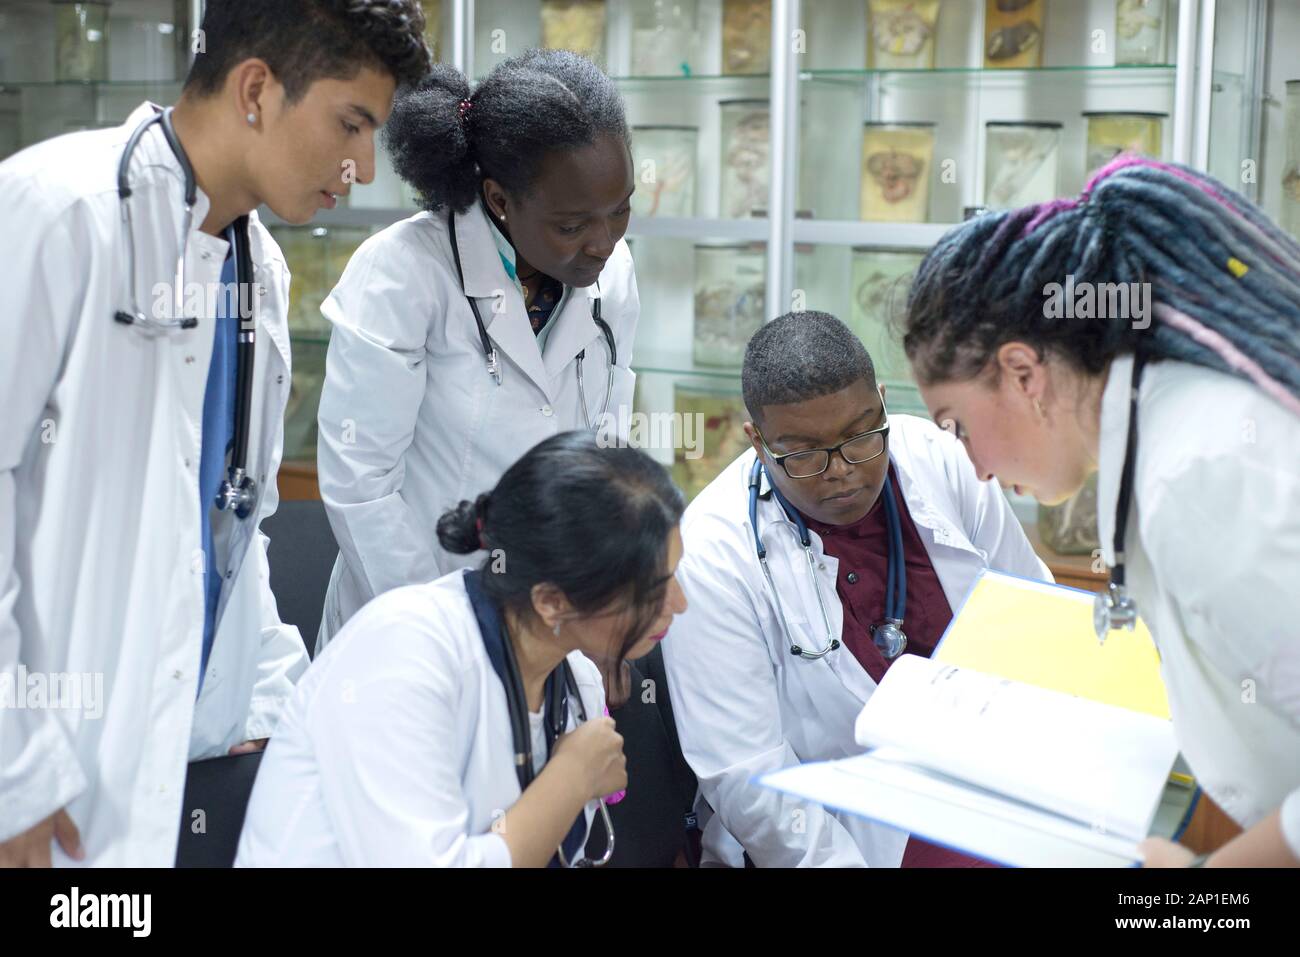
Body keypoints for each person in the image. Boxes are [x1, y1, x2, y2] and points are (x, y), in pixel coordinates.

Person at [0, 0, 430, 867]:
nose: (362, 166)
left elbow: (233, 523)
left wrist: (279, 710)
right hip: (39, 774)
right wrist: (14, 774)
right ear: (257, 89)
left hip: (186, 767)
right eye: (351, 124)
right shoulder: (56, 212)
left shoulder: (256, 269)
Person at [899, 155, 1300, 867]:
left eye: (957, 425)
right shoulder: (1171, 435)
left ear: (1023, 373)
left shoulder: (1197, 476)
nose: (975, 467)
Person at [662, 311, 1050, 867]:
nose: (841, 470)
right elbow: (748, 773)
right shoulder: (713, 553)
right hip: (841, 834)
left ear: (883, 405)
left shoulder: (942, 460)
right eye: (803, 453)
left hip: (984, 790)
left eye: (861, 436)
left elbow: (1033, 614)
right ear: (758, 440)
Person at [235, 433, 687, 867]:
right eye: (655, 588)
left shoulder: (575, 682)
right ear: (551, 601)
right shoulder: (404, 654)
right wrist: (570, 780)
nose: (680, 604)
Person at [314, 49, 639, 653]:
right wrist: (442, 636)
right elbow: (362, 486)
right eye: (571, 225)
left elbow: (604, 447)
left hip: (549, 612)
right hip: (411, 614)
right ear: (498, 198)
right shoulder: (405, 271)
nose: (603, 242)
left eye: (620, 210)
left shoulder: (611, 274)